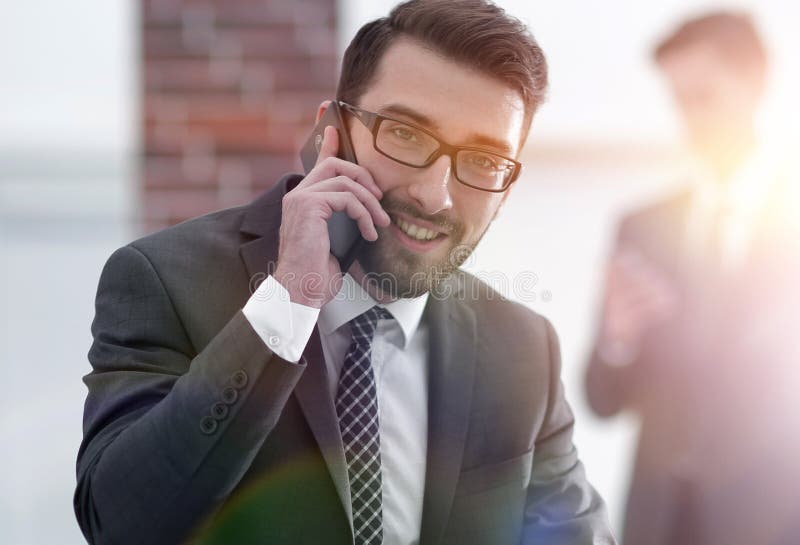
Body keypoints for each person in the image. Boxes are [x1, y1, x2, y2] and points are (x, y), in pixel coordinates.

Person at [75, 1, 615, 544]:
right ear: (331, 132)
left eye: (484, 161)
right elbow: (120, 524)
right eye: (405, 134)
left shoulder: (523, 346)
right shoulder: (166, 282)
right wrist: (286, 305)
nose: (435, 195)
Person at [585, 11, 800, 545]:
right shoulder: (640, 228)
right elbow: (601, 399)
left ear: (757, 84)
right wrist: (617, 340)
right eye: (679, 101)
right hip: (660, 524)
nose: (691, 119)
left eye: (705, 96)